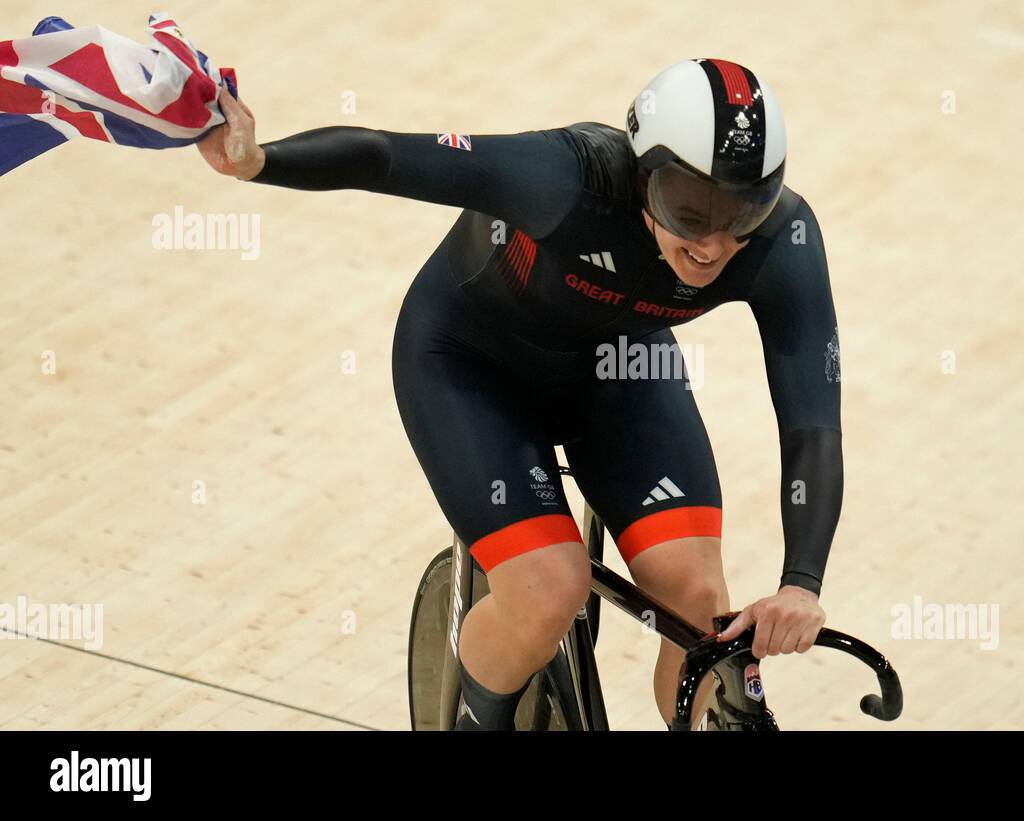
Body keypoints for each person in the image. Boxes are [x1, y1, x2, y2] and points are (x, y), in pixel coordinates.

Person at [199, 58, 843, 730]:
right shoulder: (565, 177)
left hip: (618, 371)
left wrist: (802, 581)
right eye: (692, 209)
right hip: (471, 367)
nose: (713, 244)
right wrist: (259, 161)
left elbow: (813, 427)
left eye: (743, 210)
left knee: (702, 611)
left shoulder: (783, 242)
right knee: (549, 588)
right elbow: (386, 157)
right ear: (644, 172)